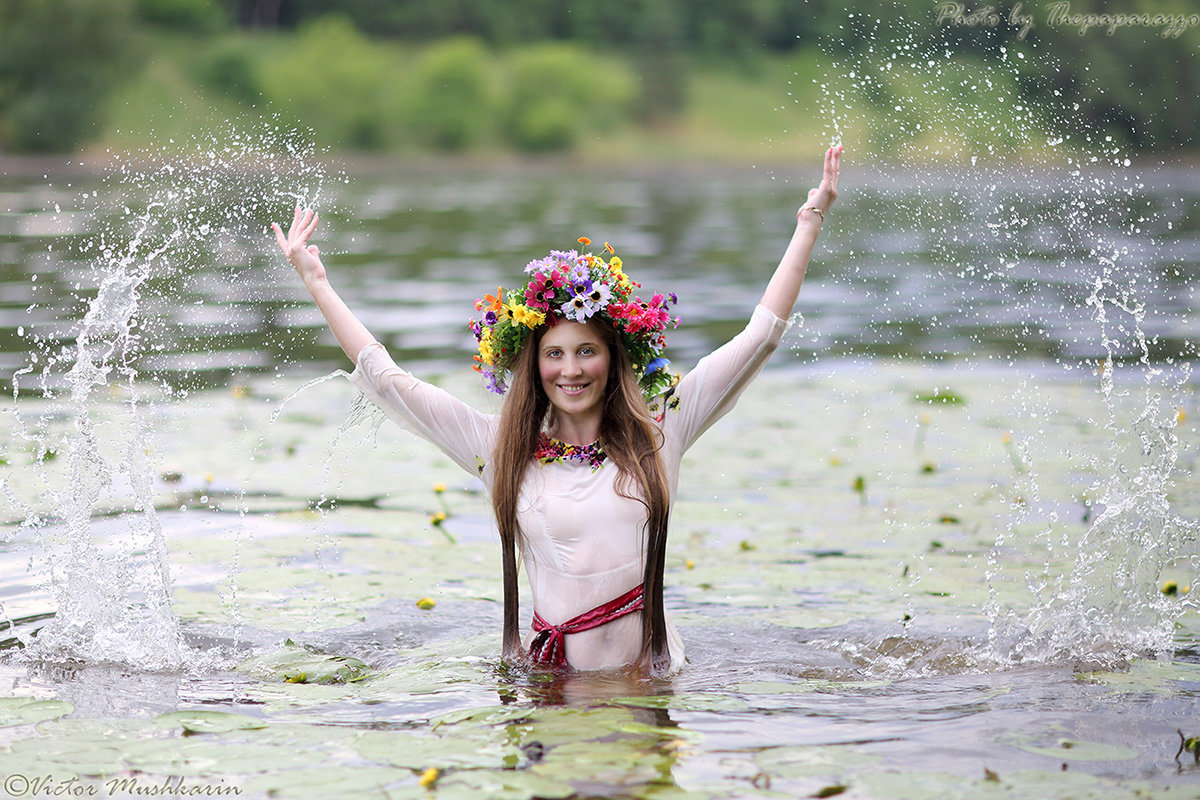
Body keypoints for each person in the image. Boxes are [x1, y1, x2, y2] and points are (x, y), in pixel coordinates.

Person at [272, 145, 842, 676]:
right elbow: (389, 381)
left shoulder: (661, 431)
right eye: (555, 354)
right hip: (550, 697)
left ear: (613, 359)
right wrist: (316, 280)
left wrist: (808, 222)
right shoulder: (502, 450)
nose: (571, 370)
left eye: (586, 351)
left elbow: (760, 336)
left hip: (648, 692)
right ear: (534, 366)